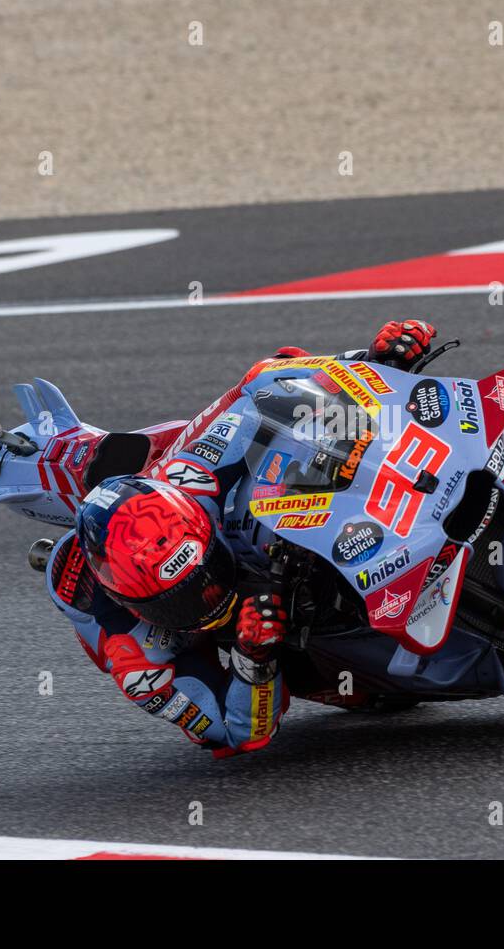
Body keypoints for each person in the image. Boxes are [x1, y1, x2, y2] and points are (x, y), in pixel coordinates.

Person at [45, 320, 437, 757]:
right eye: (180, 600)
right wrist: (254, 656)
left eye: (205, 575)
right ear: (129, 603)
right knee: (352, 688)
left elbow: (268, 380)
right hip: (270, 649)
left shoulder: (194, 474)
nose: (210, 599)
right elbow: (235, 733)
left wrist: (371, 362)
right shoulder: (131, 652)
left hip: (217, 510)